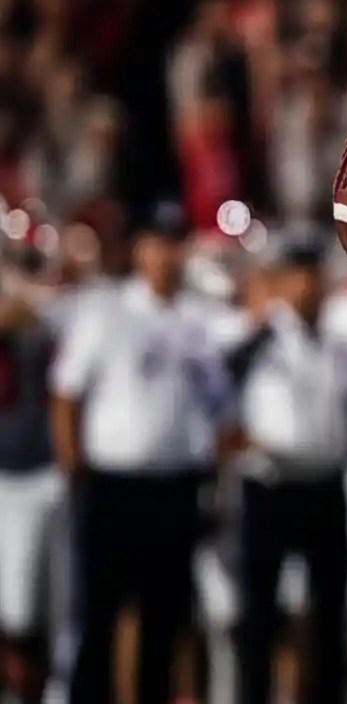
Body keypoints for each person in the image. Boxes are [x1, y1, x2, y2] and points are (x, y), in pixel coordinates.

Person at [48, 203, 233, 704]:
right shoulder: (106, 310)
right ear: (138, 249)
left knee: (164, 617)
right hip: (113, 481)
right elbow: (66, 393)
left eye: (174, 243)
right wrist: (74, 468)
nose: (165, 255)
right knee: (100, 613)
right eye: (156, 243)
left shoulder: (200, 320)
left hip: (176, 484)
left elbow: (221, 405)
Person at [223, 227, 347, 704]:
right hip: (270, 486)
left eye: (314, 275)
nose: (307, 287)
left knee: (329, 609)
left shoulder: (344, 349)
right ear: (281, 282)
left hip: (326, 485)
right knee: (260, 614)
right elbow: (217, 401)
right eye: (297, 276)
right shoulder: (256, 343)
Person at [0, 244, 61, 704]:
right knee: (15, 608)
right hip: (7, 477)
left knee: (48, 607)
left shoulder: (59, 314)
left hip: (47, 472)